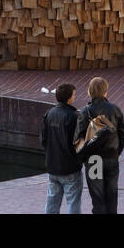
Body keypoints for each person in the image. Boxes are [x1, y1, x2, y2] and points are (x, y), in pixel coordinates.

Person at [76, 77, 124, 214]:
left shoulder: (85, 112)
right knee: (112, 196)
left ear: (89, 92)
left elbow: (78, 140)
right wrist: (116, 152)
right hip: (111, 158)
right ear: (105, 92)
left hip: (94, 160)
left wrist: (84, 158)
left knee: (98, 199)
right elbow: (123, 135)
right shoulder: (115, 109)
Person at [41, 83, 84, 214]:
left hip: (52, 167)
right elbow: (79, 144)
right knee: (73, 202)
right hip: (70, 168)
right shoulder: (73, 116)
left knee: (52, 202)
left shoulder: (49, 113)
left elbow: (43, 140)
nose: (75, 97)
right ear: (69, 97)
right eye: (74, 94)